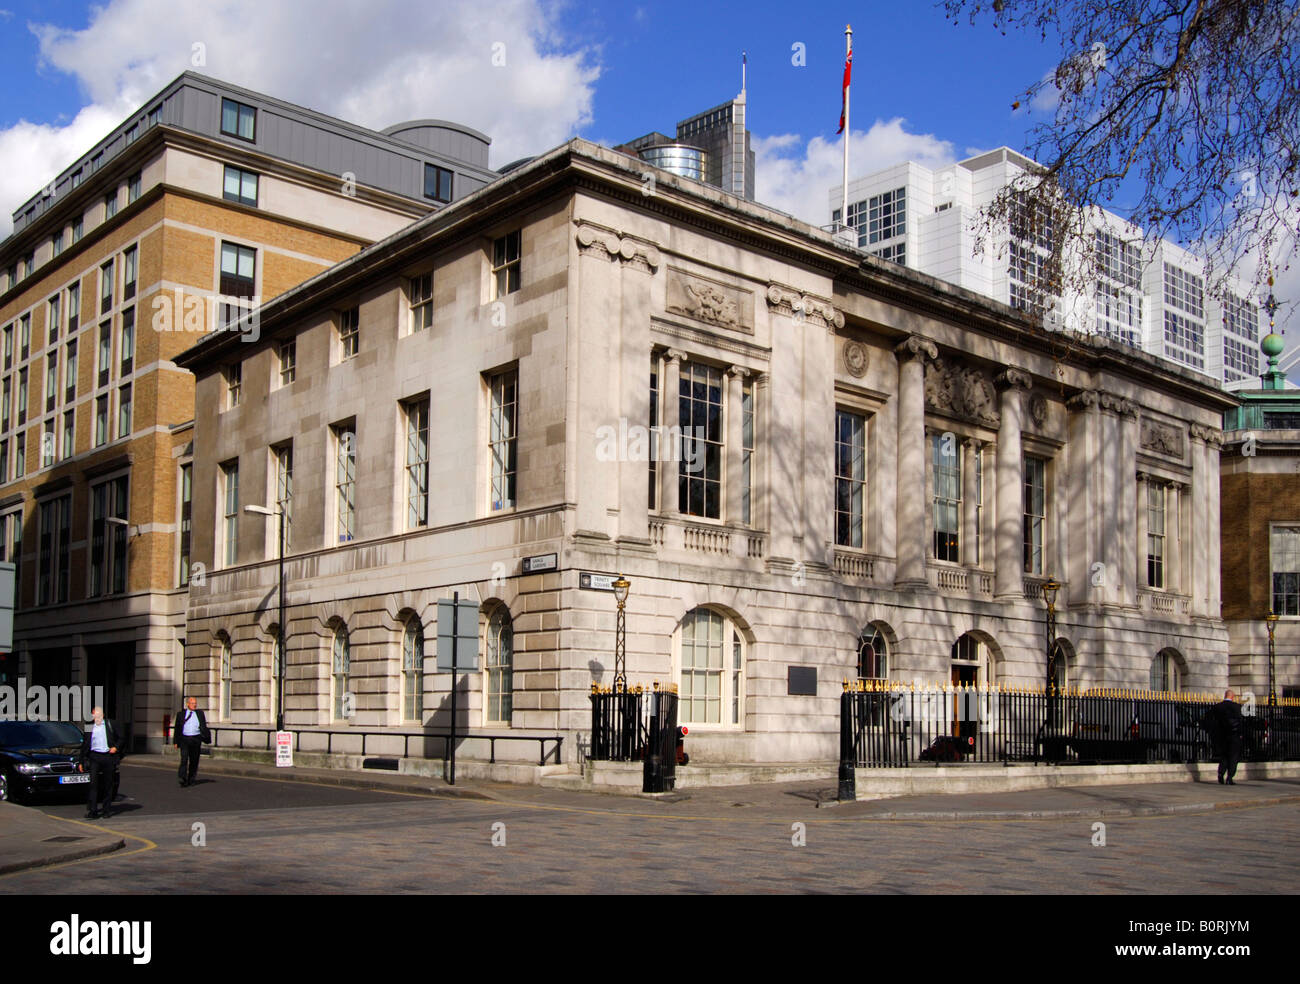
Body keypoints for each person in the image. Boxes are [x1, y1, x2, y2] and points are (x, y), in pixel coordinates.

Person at [79, 707, 121, 819]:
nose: (97, 718)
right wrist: (81, 761)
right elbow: (84, 746)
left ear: (102, 715)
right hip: (94, 757)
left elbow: (121, 738)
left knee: (108, 784)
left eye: (99, 716)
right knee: (93, 784)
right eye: (94, 716)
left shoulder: (111, 724)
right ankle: (93, 810)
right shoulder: (89, 726)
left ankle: (106, 810)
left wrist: (116, 747)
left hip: (108, 756)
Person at [1206, 689, 1245, 785]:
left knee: (1223, 756)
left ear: (1225, 696)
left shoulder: (1217, 707)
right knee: (1233, 756)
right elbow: (1240, 722)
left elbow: (1209, 720)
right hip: (1233, 735)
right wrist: (1241, 734)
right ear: (1232, 697)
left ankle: (1220, 773)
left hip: (1221, 735)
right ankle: (1230, 777)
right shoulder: (1236, 707)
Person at [173, 696, 211, 787]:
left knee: (194, 760)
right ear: (188, 704)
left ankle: (191, 779)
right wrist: (176, 741)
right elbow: (177, 728)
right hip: (185, 739)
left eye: (195, 703)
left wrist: (205, 736)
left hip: (196, 738)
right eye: (192, 703)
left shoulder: (200, 713)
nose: (194, 705)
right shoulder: (181, 714)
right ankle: (182, 778)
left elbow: (203, 726)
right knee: (184, 759)